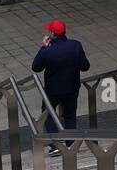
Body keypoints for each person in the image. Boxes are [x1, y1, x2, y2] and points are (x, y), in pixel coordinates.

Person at [30, 19, 91, 153]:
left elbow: (36, 67)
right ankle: (70, 144)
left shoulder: (47, 51)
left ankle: (55, 144)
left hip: (53, 90)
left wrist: (43, 47)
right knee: (69, 116)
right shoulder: (76, 45)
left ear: (52, 33)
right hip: (72, 88)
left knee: (48, 114)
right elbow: (85, 67)